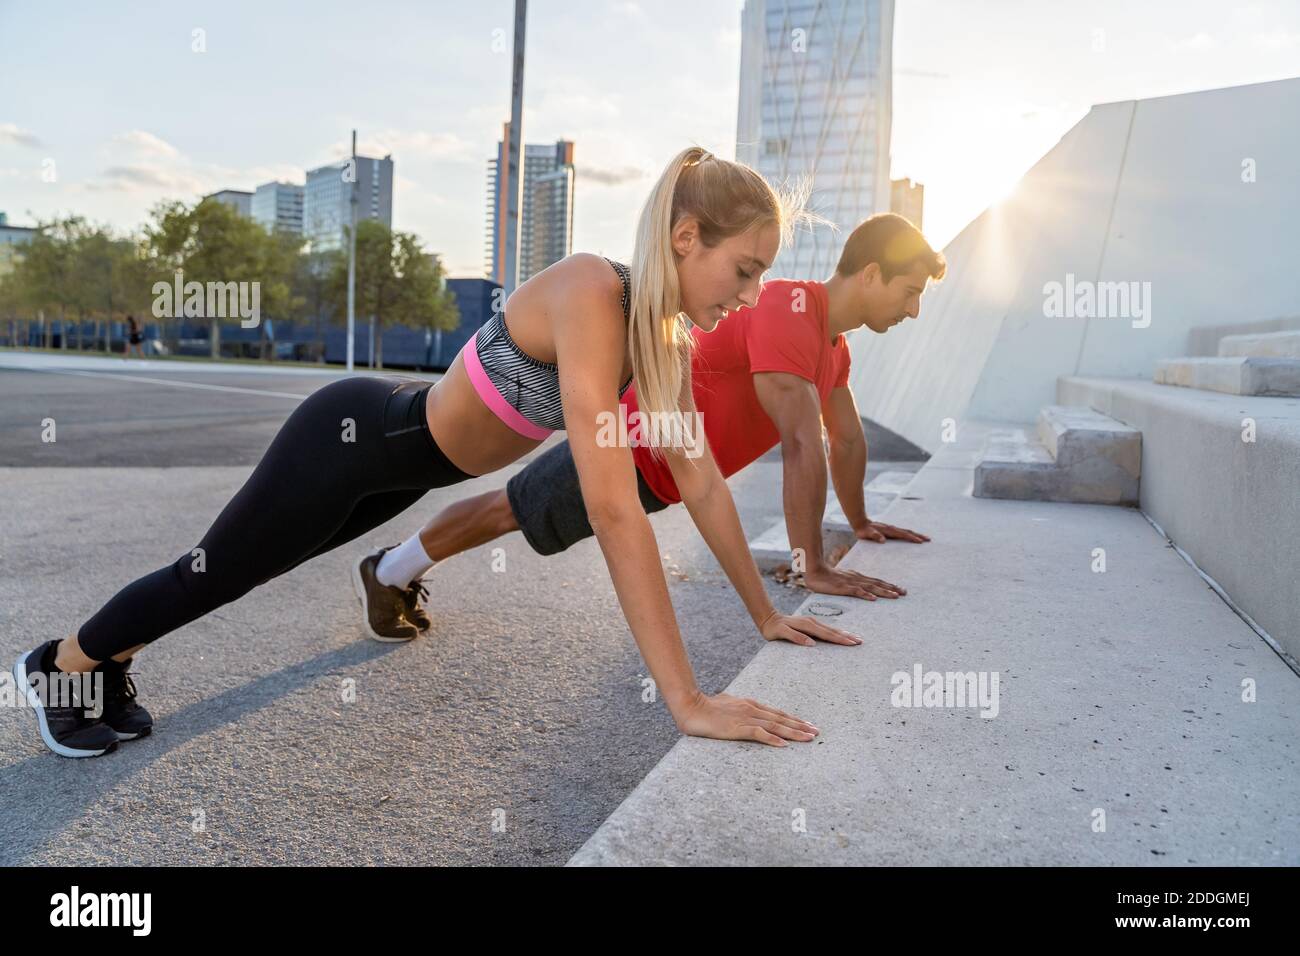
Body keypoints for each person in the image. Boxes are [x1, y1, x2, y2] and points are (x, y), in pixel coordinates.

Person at [13, 147, 859, 760]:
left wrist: (767, 615)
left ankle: (109, 663)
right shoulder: (591, 293)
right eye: (743, 270)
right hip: (348, 439)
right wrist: (688, 700)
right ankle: (63, 665)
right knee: (217, 572)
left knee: (250, 569)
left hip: (399, 474)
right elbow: (610, 507)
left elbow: (702, 484)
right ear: (686, 237)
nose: (749, 296)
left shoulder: (662, 345)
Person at [363, 213, 944, 626]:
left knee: (513, 512)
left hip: (670, 474)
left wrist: (862, 522)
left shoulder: (834, 348)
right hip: (634, 446)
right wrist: (810, 565)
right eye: (910, 292)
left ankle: (393, 566)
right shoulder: (786, 307)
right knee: (509, 510)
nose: (913, 310)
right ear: (870, 273)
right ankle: (389, 569)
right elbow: (801, 442)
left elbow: (844, 439)